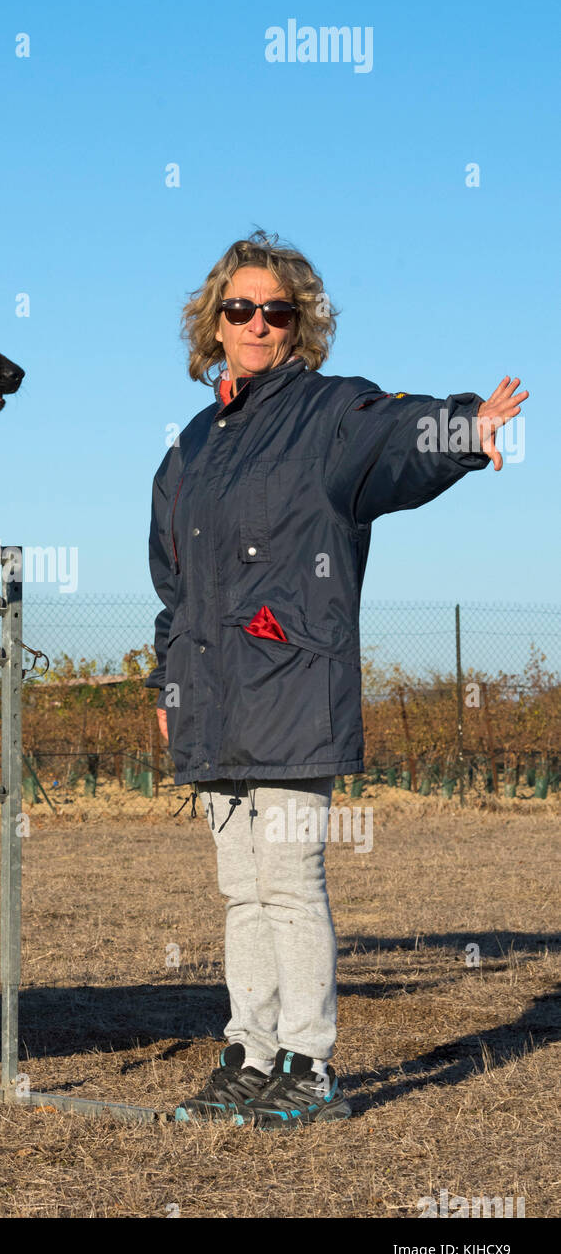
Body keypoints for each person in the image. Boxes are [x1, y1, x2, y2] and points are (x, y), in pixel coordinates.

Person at [146, 229, 526, 1128]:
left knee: (290, 880)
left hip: (290, 682)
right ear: (215, 322)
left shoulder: (327, 413)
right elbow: (173, 586)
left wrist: (463, 428)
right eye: (239, 309)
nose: (257, 324)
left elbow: (397, 437)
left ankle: (310, 1066)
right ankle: (250, 1053)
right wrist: (168, 687)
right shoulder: (190, 446)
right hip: (210, 695)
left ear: (299, 324)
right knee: (242, 889)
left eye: (276, 311)